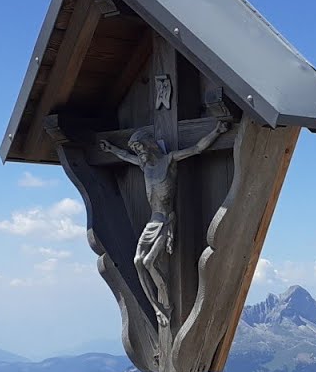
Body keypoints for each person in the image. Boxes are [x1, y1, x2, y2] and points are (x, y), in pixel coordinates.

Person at [98, 119, 231, 325]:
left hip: (166, 222)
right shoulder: (144, 167)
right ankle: (156, 307)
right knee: (137, 262)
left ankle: (165, 304)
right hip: (152, 221)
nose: (139, 152)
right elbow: (125, 156)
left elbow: (196, 148)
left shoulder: (168, 161)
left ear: (149, 145)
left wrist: (217, 131)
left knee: (149, 261)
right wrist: (111, 149)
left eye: (140, 147)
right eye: (136, 150)